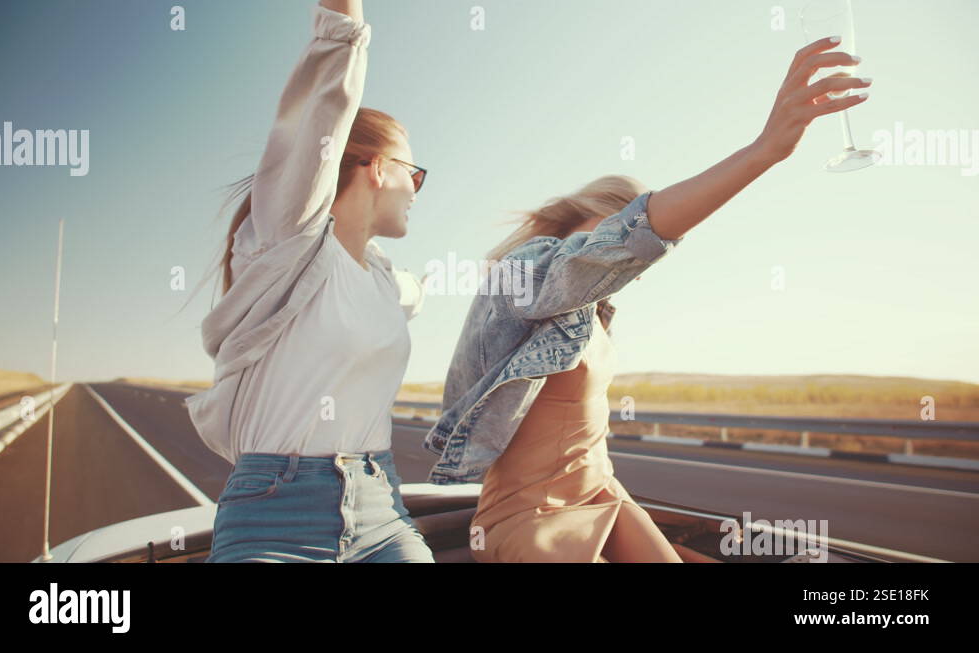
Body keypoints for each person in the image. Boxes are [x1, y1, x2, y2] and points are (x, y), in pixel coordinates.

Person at [421, 36, 872, 562]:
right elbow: (620, 244)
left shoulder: (594, 312)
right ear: (575, 223)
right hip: (529, 519)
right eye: (605, 229)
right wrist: (764, 150)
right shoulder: (521, 279)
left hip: (604, 496)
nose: (618, 261)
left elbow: (584, 440)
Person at [187, 0, 434, 562]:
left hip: (381, 511)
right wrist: (345, 25)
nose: (418, 189)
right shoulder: (289, 241)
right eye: (413, 172)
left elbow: (428, 290)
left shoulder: (386, 283)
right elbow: (331, 84)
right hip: (275, 514)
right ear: (377, 167)